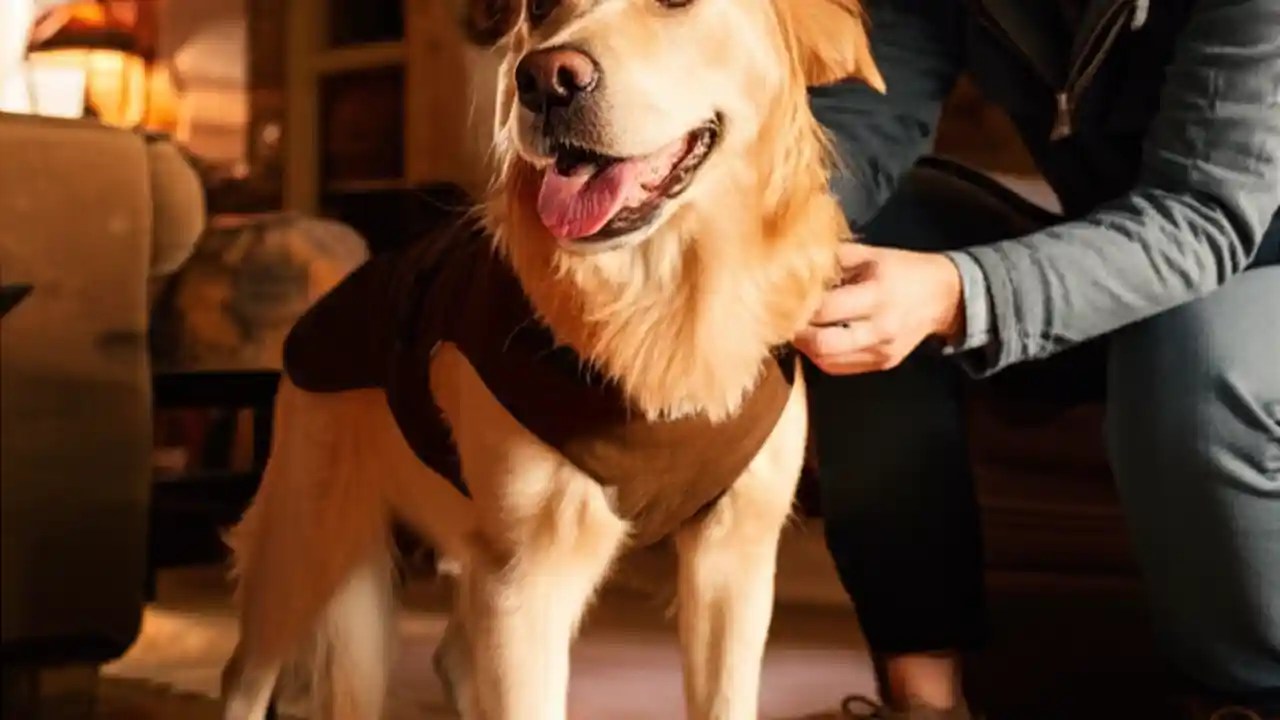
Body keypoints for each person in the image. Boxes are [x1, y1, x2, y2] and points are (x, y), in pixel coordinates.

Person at [794, 0, 1280, 717]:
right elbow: (857, 129)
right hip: (1135, 246)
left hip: (1234, 258)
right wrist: (764, 239)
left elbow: (1202, 217)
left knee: (1189, 351)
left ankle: (1245, 699)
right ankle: (924, 698)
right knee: (855, 256)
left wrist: (961, 296)